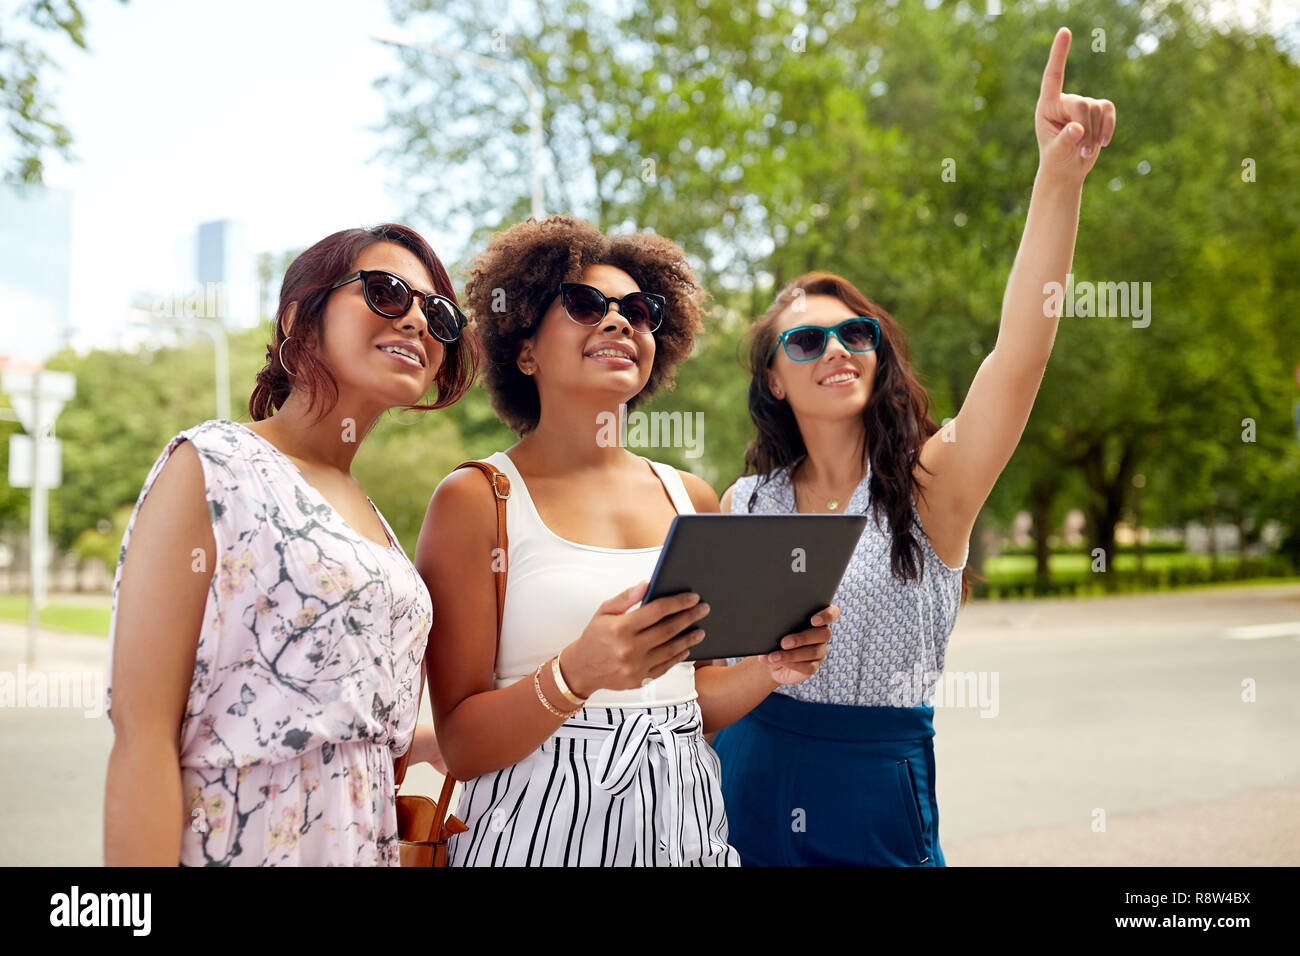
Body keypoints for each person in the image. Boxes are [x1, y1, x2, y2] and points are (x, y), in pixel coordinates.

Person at [711, 27, 1116, 866]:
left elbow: (1022, 354)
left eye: (854, 333)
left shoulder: (932, 482)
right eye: (804, 342)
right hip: (743, 779)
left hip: (875, 792)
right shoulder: (747, 504)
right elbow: (707, 685)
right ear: (774, 381)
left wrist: (1059, 179)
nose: (835, 350)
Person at [416, 215, 838, 866]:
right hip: (536, 840)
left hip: (686, 834)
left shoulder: (692, 499)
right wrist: (575, 673)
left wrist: (771, 669)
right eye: (585, 305)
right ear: (524, 351)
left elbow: (692, 704)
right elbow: (463, 744)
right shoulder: (477, 499)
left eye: (638, 311)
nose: (619, 323)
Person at [103, 223, 479, 865]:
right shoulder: (214, 465)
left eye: (437, 311)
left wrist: (422, 743)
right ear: (300, 318)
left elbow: (314, 710)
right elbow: (144, 739)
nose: (417, 319)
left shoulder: (371, 516)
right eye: (389, 293)